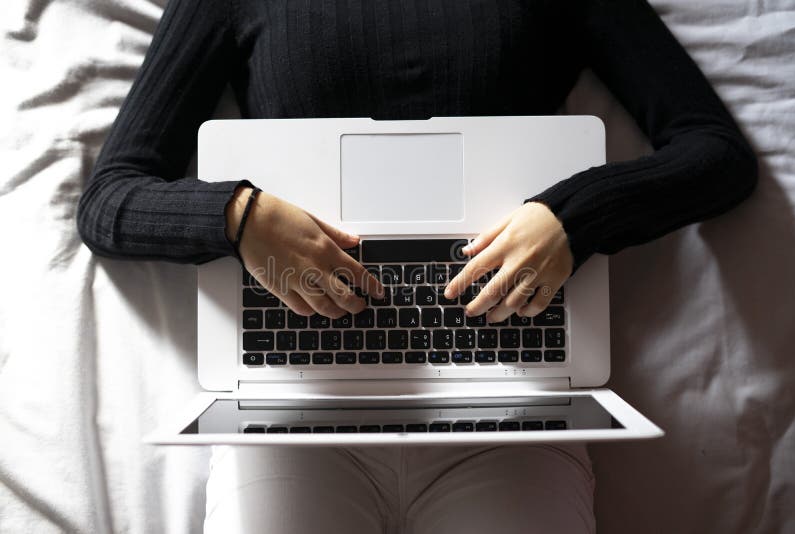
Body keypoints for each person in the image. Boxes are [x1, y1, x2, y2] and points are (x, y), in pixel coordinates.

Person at [76, 1, 757, 532]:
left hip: (513, 412)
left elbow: (716, 155)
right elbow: (109, 200)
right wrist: (240, 219)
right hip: (293, 414)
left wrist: (574, 219)